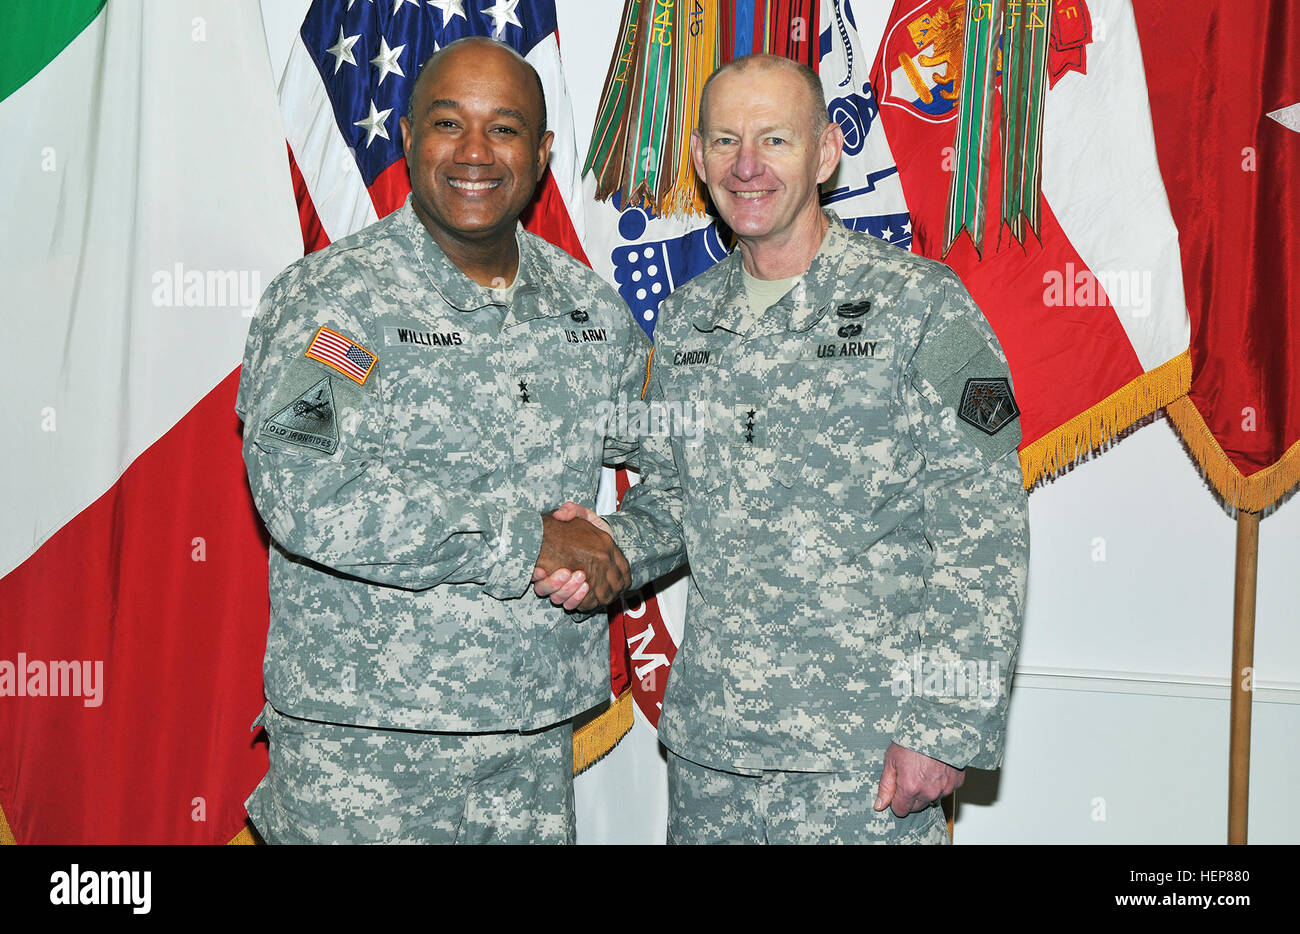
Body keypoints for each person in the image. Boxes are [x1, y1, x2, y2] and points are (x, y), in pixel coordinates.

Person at [537, 54, 1029, 844]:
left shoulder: (924, 306)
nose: (748, 166)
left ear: (826, 152)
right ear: (698, 159)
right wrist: (601, 544)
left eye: (775, 140)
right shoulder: (689, 318)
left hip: (864, 760)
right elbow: (670, 498)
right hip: (713, 755)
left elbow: (986, 530)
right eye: (726, 141)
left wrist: (943, 725)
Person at [236, 36, 642, 844]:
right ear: (410, 135)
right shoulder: (336, 306)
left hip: (528, 751)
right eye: (448, 124)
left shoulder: (590, 315)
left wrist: (616, 547)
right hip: (365, 757)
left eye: (504, 129)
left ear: (542, 151)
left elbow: (675, 468)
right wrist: (526, 542)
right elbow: (305, 490)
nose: (474, 154)